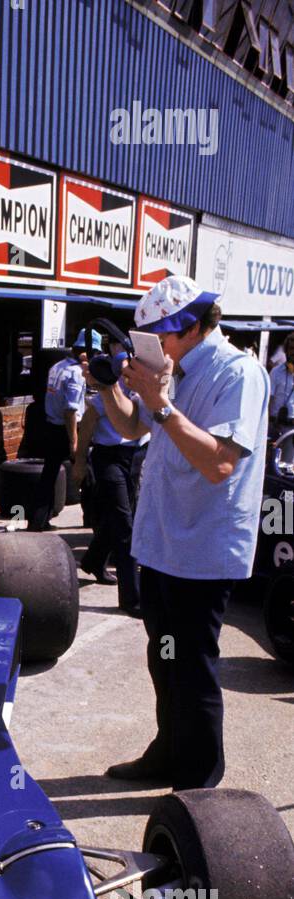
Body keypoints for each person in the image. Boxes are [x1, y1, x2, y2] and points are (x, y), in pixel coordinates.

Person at [90, 276, 269, 790]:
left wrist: (163, 404)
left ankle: (199, 783)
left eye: (158, 339)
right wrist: (109, 385)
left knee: (192, 666)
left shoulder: (238, 373)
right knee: (164, 656)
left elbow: (219, 465)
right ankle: (167, 751)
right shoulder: (173, 370)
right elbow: (130, 429)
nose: (151, 351)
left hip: (203, 549)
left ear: (191, 328)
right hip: (164, 543)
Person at [73, 340, 145, 616]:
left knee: (121, 518)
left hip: (135, 457)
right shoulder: (103, 389)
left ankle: (92, 560)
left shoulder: (139, 383)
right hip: (109, 458)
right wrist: (79, 463)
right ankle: (131, 599)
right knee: (126, 526)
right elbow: (86, 429)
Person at [30, 331, 98, 532]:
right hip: (68, 429)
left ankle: (38, 521)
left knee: (48, 476)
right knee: (88, 473)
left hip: (51, 425)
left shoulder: (56, 366)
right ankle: (92, 518)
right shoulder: (77, 373)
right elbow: (70, 410)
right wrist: (74, 442)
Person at [268, 332, 294, 462]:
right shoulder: (276, 372)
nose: (293, 352)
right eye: (291, 349)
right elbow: (269, 399)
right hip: (275, 425)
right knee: (270, 463)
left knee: (288, 464)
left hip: (292, 429)